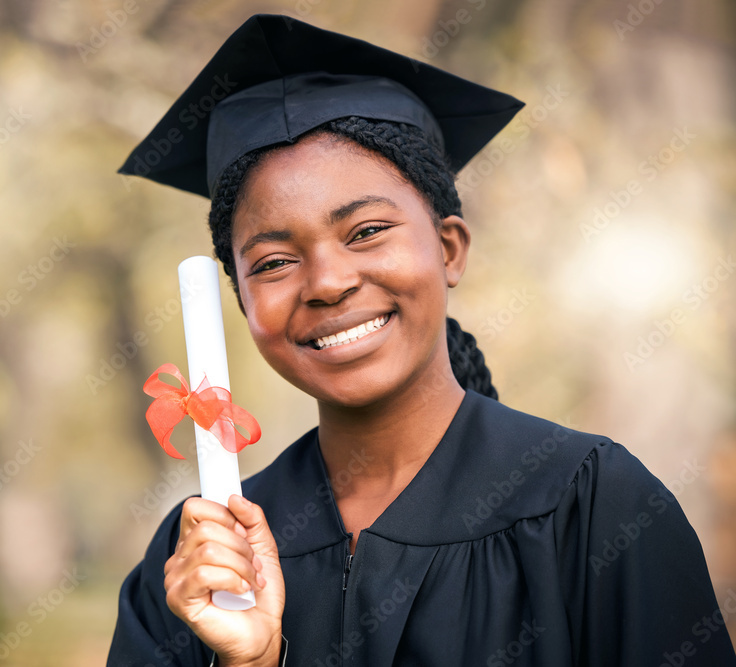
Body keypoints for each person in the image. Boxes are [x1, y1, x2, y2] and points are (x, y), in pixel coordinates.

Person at [108, 14, 736, 667]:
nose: (327, 282)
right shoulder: (201, 559)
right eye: (272, 262)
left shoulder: (594, 506)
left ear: (449, 249)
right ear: (240, 299)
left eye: (367, 230)